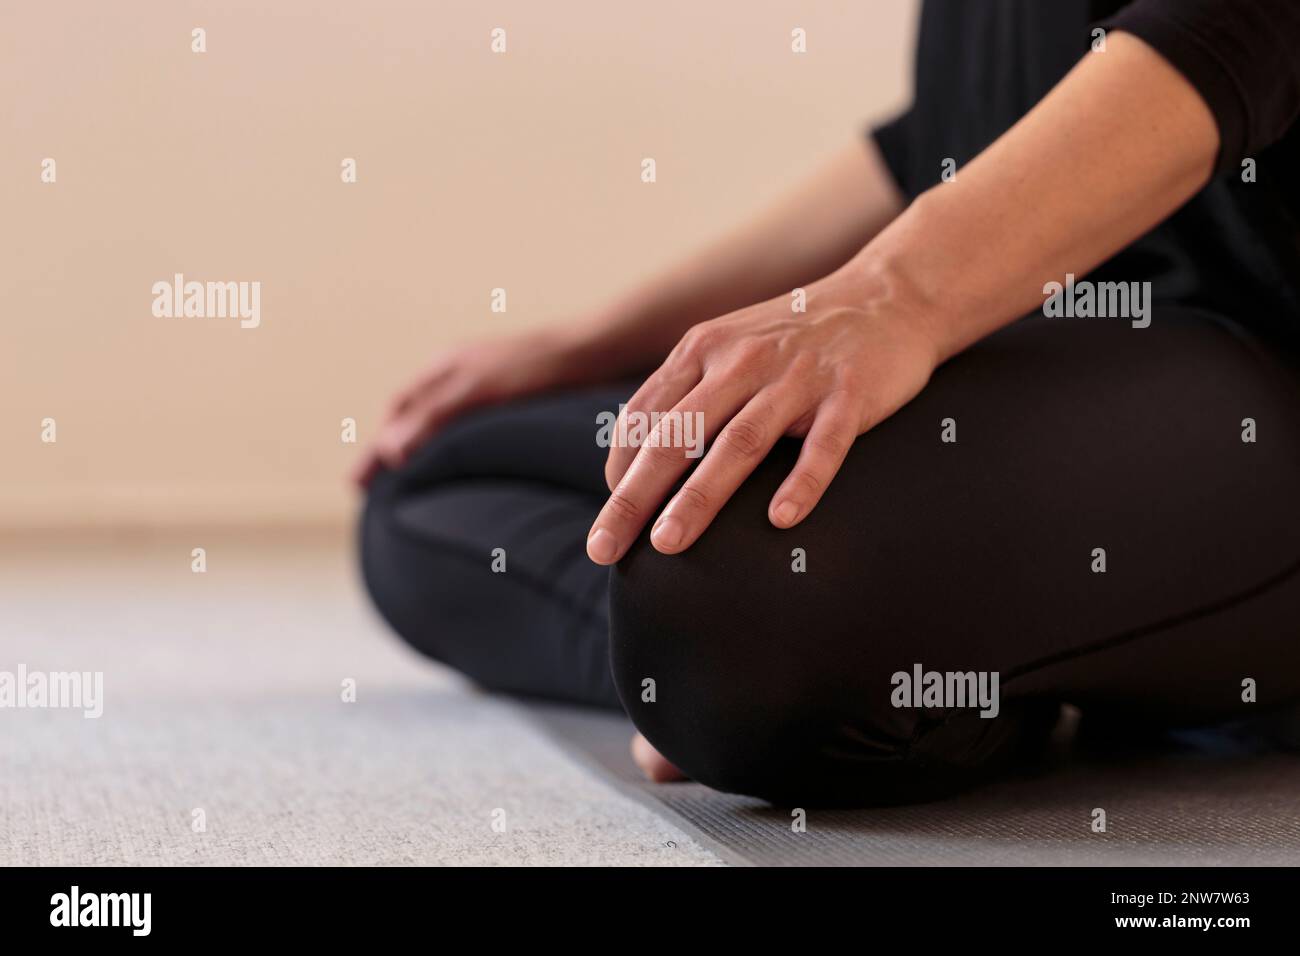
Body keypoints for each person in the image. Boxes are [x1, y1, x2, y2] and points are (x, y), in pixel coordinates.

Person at [355, 0, 1300, 806]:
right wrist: (596, 343)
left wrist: (900, 294)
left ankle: (743, 659)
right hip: (1018, 330)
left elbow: (1228, 30)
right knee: (439, 469)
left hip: (1260, 361)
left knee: (741, 589)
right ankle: (739, 669)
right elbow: (938, 143)